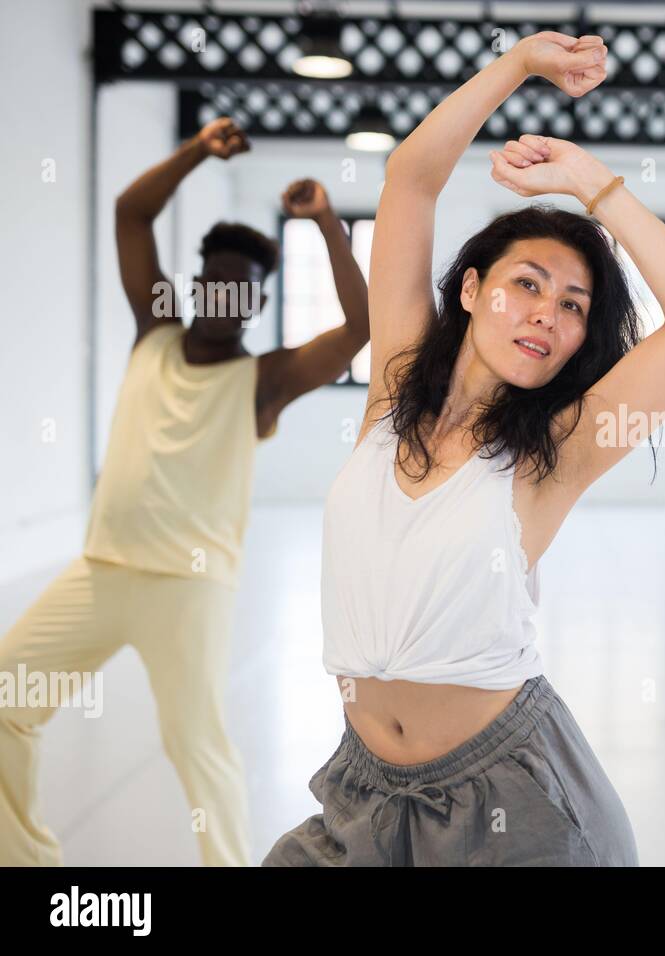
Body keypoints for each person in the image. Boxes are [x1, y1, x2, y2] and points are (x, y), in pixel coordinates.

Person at [263, 30, 665, 867]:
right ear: (474, 290)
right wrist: (518, 64)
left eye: (573, 305)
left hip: (513, 799)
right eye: (527, 284)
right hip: (363, 792)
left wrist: (594, 184)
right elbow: (411, 177)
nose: (547, 312)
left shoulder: (554, 452)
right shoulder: (392, 390)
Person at [0, 118, 371, 866]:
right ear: (196, 288)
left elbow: (361, 327)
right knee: (8, 701)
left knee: (196, 748)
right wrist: (199, 151)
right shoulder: (155, 332)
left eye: (244, 292)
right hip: (101, 568)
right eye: (216, 283)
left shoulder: (261, 381)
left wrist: (329, 220)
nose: (226, 299)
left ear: (257, 307)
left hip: (188, 589)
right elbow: (130, 214)